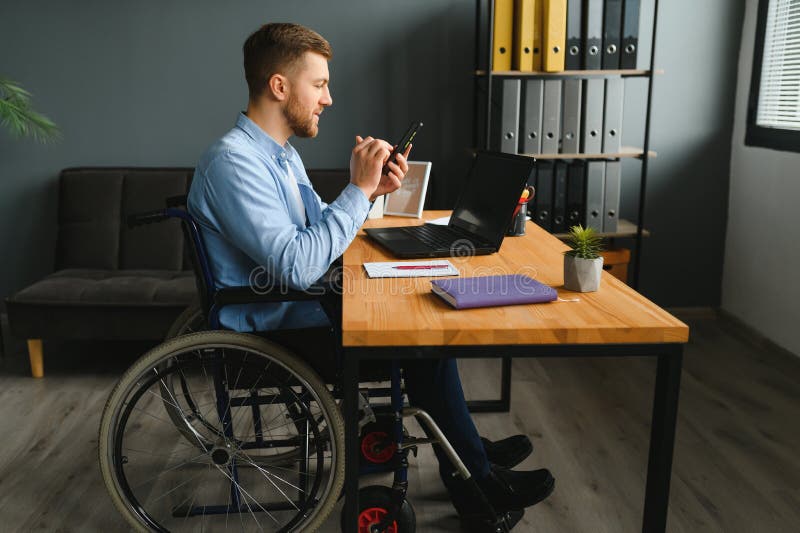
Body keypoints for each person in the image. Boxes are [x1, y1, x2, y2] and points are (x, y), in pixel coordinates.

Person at [187, 22, 554, 528]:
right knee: (423, 337)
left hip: (307, 305)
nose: (329, 99)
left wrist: (371, 190)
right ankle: (475, 480)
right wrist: (357, 192)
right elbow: (297, 265)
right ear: (279, 86)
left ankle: (470, 456)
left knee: (424, 317)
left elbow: (321, 228)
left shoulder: (278, 155)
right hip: (278, 324)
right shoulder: (235, 163)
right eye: (319, 85)